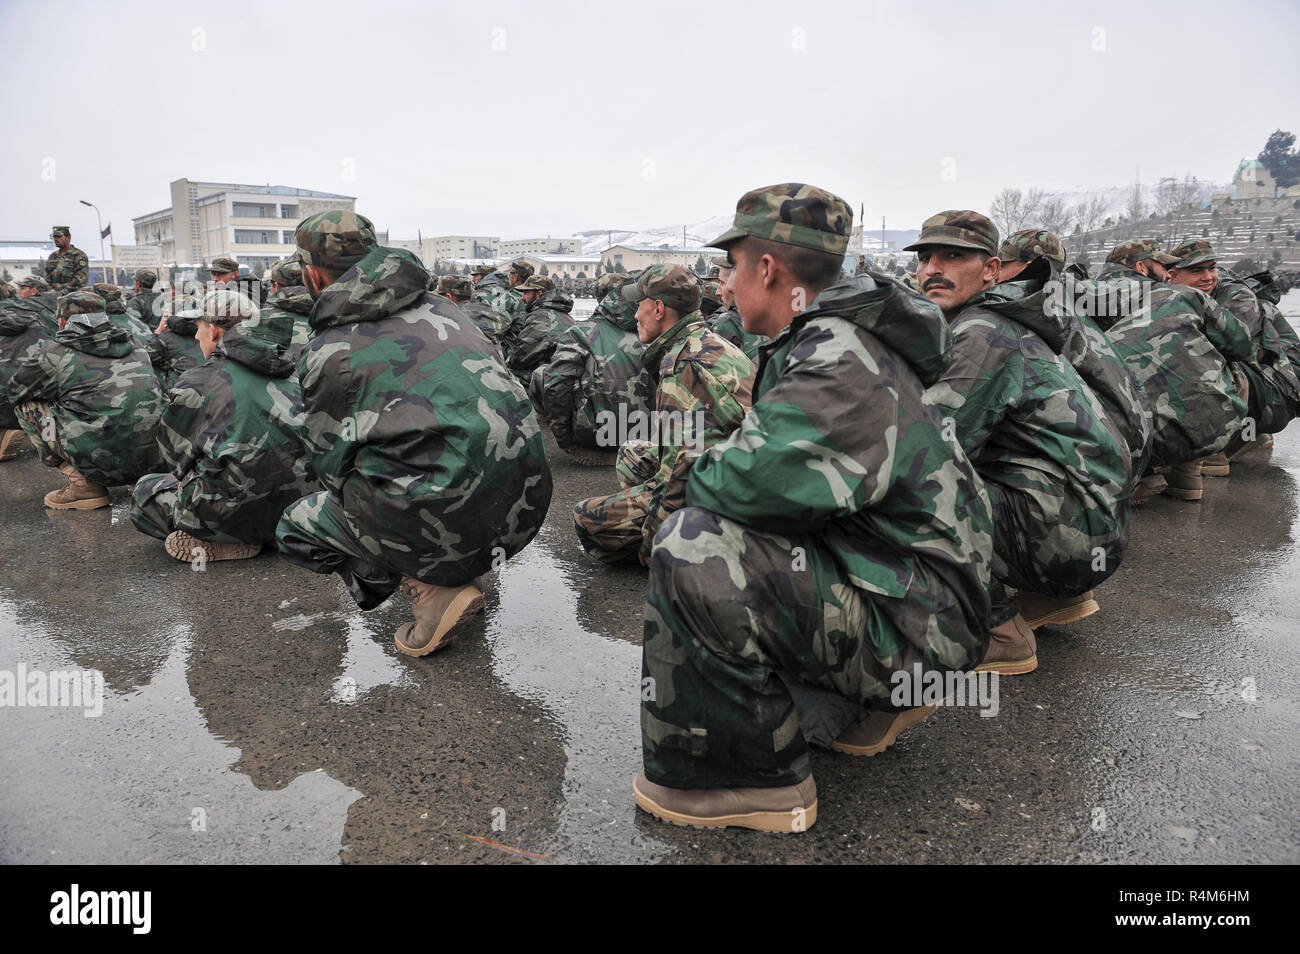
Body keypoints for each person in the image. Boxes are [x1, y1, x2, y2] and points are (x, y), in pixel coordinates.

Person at [633, 184, 994, 832]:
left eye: (731, 264)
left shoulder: (836, 353)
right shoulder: (831, 339)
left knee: (694, 543)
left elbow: (744, 484)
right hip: (909, 595)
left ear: (765, 269)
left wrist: (686, 475)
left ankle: (753, 782)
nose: (725, 281)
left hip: (921, 624)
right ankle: (858, 705)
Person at [273, 211, 553, 657]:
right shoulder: (446, 308)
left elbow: (331, 466)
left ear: (311, 272)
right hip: (526, 508)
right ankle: (452, 562)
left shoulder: (330, 349)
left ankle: (427, 583)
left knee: (297, 527)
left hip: (457, 517)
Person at [915, 211, 1129, 665]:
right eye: (925, 257)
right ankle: (1055, 598)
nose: (933, 269)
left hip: (1068, 535)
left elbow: (925, 451)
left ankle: (996, 630)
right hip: (1088, 527)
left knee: (910, 486)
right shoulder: (999, 319)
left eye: (953, 256)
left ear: (991, 270)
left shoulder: (983, 331)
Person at [573, 264, 752, 564]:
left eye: (638, 306)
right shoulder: (706, 341)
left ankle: (698, 550)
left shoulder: (682, 365)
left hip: (738, 497)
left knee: (588, 519)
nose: (634, 316)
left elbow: (679, 471)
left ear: (658, 309)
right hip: (735, 469)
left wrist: (653, 545)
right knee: (633, 455)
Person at [131, 289, 319, 562]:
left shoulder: (198, 382)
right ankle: (278, 532)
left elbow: (174, 458)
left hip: (236, 508)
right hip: (303, 505)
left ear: (214, 330)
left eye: (199, 328)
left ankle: (227, 539)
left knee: (146, 493)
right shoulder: (293, 370)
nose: (196, 336)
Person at [1098, 240, 1252, 502]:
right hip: (1190, 424)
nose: (1168, 272)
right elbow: (1242, 344)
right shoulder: (1178, 294)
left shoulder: (1081, 295)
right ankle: (1186, 471)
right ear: (1141, 267)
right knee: (1233, 371)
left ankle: (1142, 473)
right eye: (1163, 266)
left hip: (1104, 429)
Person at [6, 290, 162, 509]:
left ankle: (82, 484)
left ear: (62, 321)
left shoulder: (54, 353)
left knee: (28, 407)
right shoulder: (136, 345)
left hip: (96, 460)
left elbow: (15, 391)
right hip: (152, 458)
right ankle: (141, 480)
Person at [533, 275, 653, 465]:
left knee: (541, 374)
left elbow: (556, 385)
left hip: (598, 437)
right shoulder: (657, 330)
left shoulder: (579, 332)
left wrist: (565, 438)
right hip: (650, 433)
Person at [502, 274, 574, 382]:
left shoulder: (541, 318)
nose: (522, 297)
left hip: (551, 381)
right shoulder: (567, 317)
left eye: (526, 293)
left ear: (539, 294)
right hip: (564, 376)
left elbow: (519, 358)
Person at [44, 226, 89, 294]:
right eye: (54, 237)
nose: (55, 239)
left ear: (68, 238)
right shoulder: (52, 256)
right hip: (53, 295)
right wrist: (50, 291)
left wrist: (65, 291)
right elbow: (47, 277)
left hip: (72, 296)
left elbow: (81, 278)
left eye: (59, 236)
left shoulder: (79, 255)